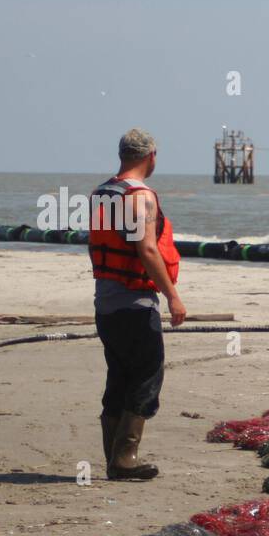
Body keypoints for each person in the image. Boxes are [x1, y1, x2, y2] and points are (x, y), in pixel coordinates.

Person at [89, 128, 187, 481]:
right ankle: (125, 458)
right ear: (151, 157)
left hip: (106, 304)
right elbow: (147, 249)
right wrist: (173, 296)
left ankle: (114, 458)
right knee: (147, 376)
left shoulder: (102, 192)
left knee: (119, 377)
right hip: (135, 304)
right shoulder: (141, 196)